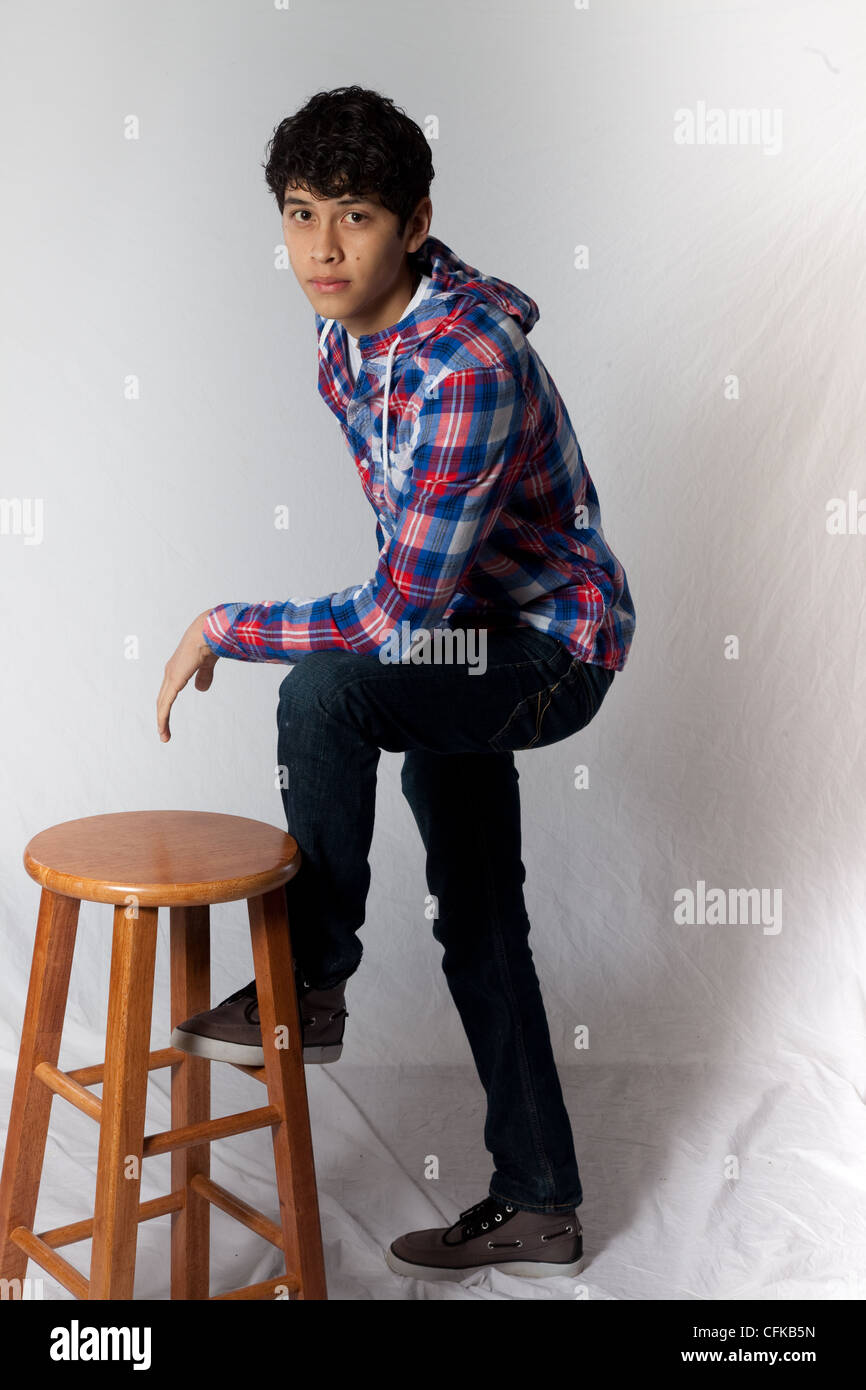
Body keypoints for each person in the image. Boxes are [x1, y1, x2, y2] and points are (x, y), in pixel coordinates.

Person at [156, 84, 635, 1282]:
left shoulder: (468, 362)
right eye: (300, 213)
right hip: (457, 640)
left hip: (543, 649)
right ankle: (540, 1204)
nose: (320, 249)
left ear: (415, 222)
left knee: (324, 693)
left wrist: (227, 621)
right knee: (478, 918)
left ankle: (311, 980)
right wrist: (389, 647)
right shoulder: (342, 331)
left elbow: (389, 615)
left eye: (355, 217)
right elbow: (409, 563)